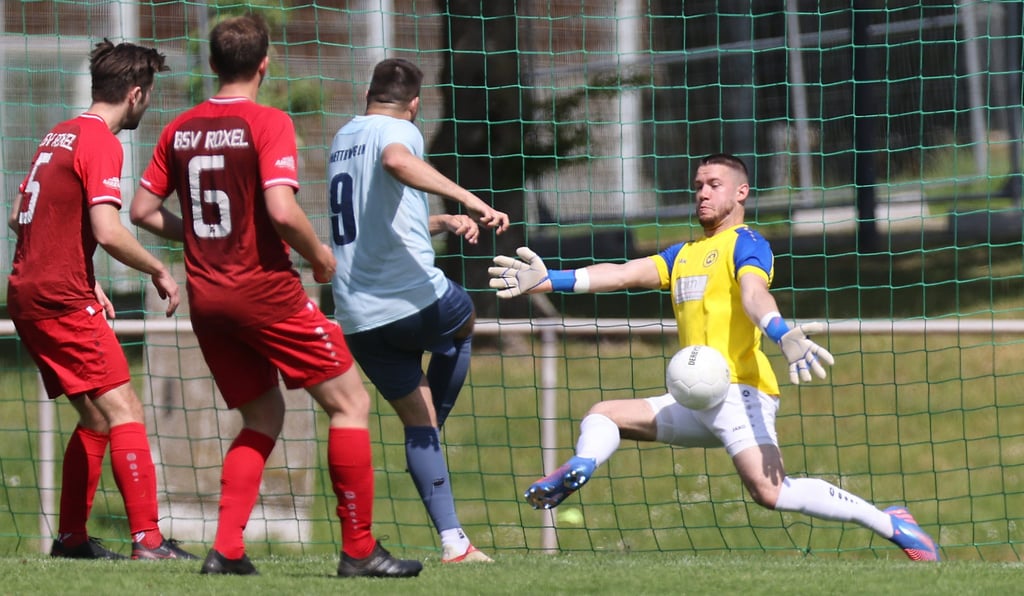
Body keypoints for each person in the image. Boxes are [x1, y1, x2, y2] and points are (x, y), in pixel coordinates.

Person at [488, 153, 941, 562]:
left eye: (714, 184)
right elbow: (623, 273)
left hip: (740, 393)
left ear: (741, 192)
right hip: (692, 399)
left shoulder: (748, 243)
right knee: (604, 415)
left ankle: (891, 523)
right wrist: (551, 281)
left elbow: (753, 293)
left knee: (771, 492)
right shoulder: (682, 253)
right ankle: (583, 465)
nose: (703, 193)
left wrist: (780, 332)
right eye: (698, 185)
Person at [129, 14, 421, 578]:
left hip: (206, 298)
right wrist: (319, 256)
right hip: (263, 290)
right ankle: (359, 550)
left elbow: (140, 211)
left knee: (261, 414)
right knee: (350, 404)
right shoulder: (268, 122)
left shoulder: (179, 128)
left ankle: (227, 550)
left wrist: (198, 235)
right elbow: (282, 212)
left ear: (212, 65)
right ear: (265, 64)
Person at [6, 39, 196, 562]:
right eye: (149, 95)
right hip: (58, 298)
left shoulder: (58, 134)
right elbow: (109, 230)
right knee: (125, 408)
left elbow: (18, 217)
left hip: (28, 291)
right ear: (135, 94)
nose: (149, 104)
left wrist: (81, 273)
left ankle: (70, 541)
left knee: (94, 417)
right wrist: (158, 267)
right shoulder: (101, 142)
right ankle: (149, 542)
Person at [326, 57, 510, 563]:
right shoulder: (399, 133)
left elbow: (379, 219)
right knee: (466, 315)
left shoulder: (344, 137)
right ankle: (435, 426)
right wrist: (470, 200)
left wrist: (444, 221)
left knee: (416, 422)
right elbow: (395, 162)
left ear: (368, 94)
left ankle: (454, 543)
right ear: (414, 104)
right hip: (412, 299)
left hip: (358, 317)